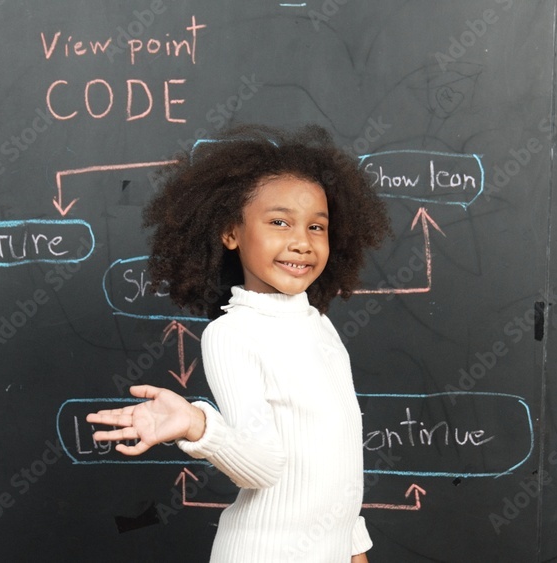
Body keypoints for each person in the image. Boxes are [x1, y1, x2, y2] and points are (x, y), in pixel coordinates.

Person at [87, 124, 392, 562]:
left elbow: (337, 459)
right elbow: (262, 468)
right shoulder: (232, 334)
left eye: (317, 227)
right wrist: (197, 424)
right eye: (279, 222)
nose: (301, 242)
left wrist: (353, 548)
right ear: (231, 233)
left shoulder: (320, 327)